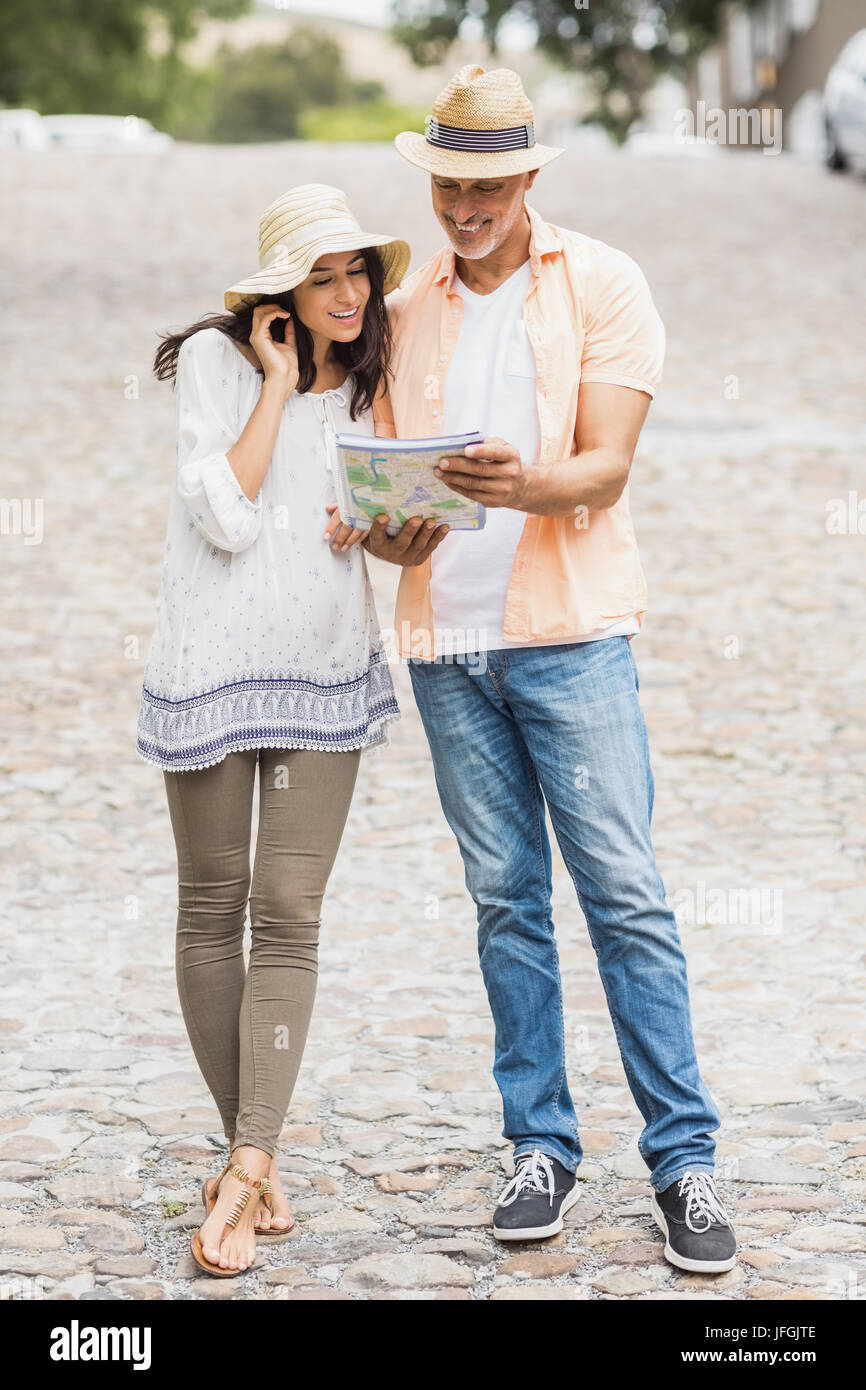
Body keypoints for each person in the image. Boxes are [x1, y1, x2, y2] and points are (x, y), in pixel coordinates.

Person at [360, 65, 737, 1272]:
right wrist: (391, 528)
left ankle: (684, 1163)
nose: (465, 209)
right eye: (449, 187)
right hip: (444, 649)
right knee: (504, 903)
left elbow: (605, 466)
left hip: (570, 639)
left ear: (524, 177)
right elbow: (376, 497)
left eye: (486, 186)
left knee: (622, 895)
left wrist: (518, 483)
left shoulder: (602, 283)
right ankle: (539, 1146)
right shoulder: (403, 303)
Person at [137, 184, 408, 1276]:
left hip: (323, 671)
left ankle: (248, 1162)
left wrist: (388, 521)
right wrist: (282, 384)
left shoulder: (376, 382)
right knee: (213, 908)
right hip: (210, 664)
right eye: (325, 276)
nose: (347, 294)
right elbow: (228, 512)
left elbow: (392, 535)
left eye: (358, 274)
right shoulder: (219, 365)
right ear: (280, 293)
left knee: (286, 913)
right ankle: (248, 1147)